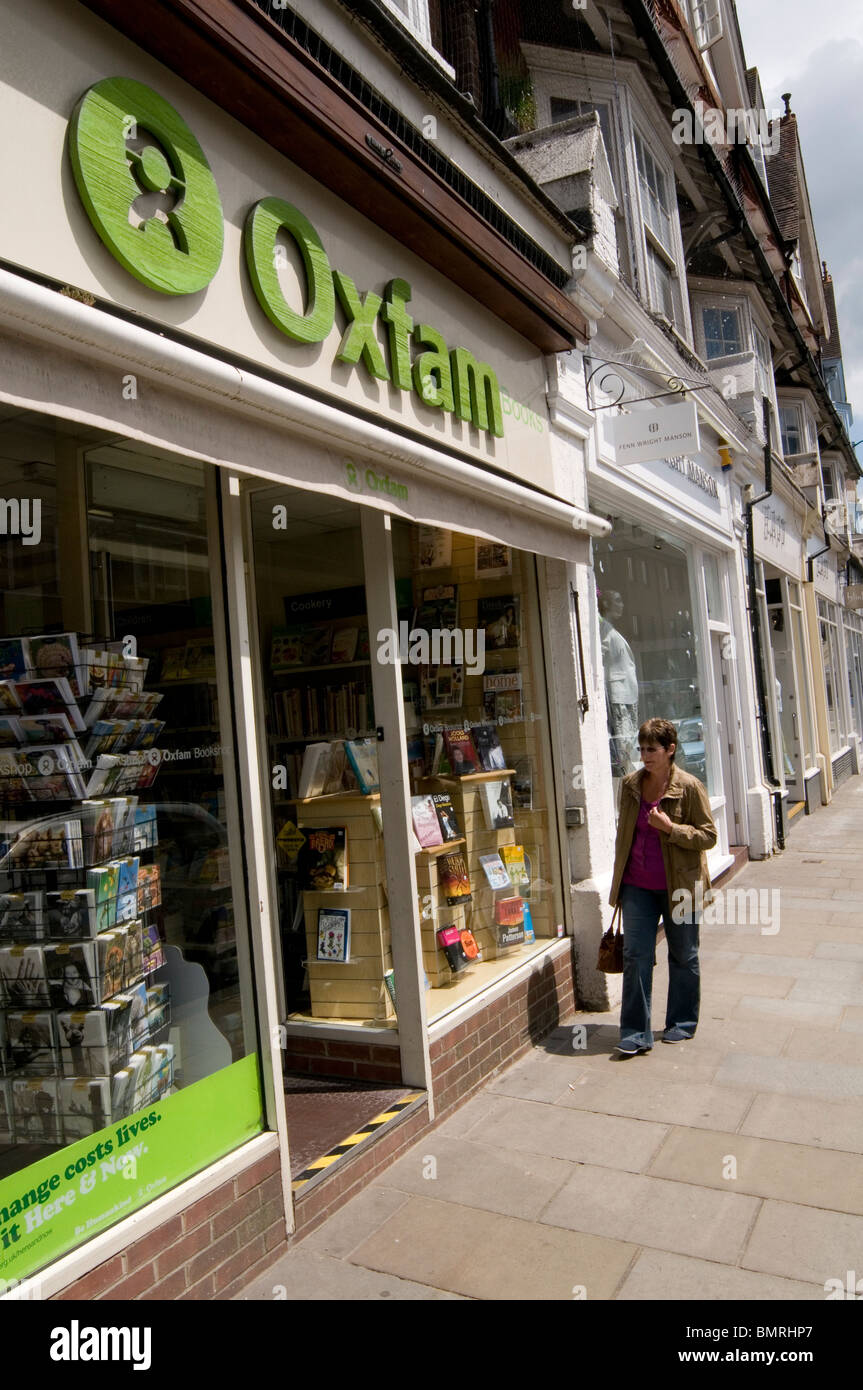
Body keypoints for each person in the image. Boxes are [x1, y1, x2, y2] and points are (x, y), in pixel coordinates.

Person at [608, 716, 716, 1055]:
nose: (645, 756)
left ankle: (681, 1023)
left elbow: (709, 836)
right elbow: (624, 835)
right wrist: (621, 883)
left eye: (652, 749)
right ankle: (635, 1032)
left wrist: (671, 829)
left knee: (684, 954)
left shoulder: (689, 787)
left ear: (670, 749)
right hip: (637, 885)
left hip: (680, 885)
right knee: (636, 955)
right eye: (641, 749)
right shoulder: (629, 786)